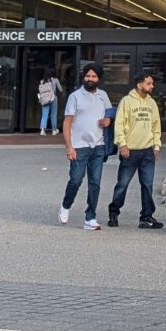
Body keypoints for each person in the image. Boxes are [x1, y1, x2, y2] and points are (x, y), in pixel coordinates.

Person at [106, 72, 164, 229]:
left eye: (152, 83)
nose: (152, 86)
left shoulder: (152, 103)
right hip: (130, 151)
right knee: (122, 184)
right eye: (149, 83)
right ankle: (114, 212)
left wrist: (156, 145)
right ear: (139, 85)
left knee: (147, 185)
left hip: (147, 151)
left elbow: (156, 125)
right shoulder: (126, 101)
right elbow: (119, 124)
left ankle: (146, 217)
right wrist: (122, 144)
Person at [58, 66, 110, 230]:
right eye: (88, 75)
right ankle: (66, 206)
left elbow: (110, 113)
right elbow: (67, 122)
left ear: (98, 79)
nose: (90, 79)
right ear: (83, 78)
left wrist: (108, 120)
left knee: (95, 183)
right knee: (76, 180)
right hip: (79, 146)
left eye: (94, 76)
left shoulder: (103, 96)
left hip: (98, 145)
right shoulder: (75, 96)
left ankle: (90, 217)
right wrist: (69, 147)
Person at [35, 72, 63, 136]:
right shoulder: (55, 80)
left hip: (44, 99)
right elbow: (61, 90)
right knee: (53, 114)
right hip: (53, 98)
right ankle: (54, 130)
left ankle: (42, 130)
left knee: (44, 115)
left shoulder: (42, 81)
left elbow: (39, 91)